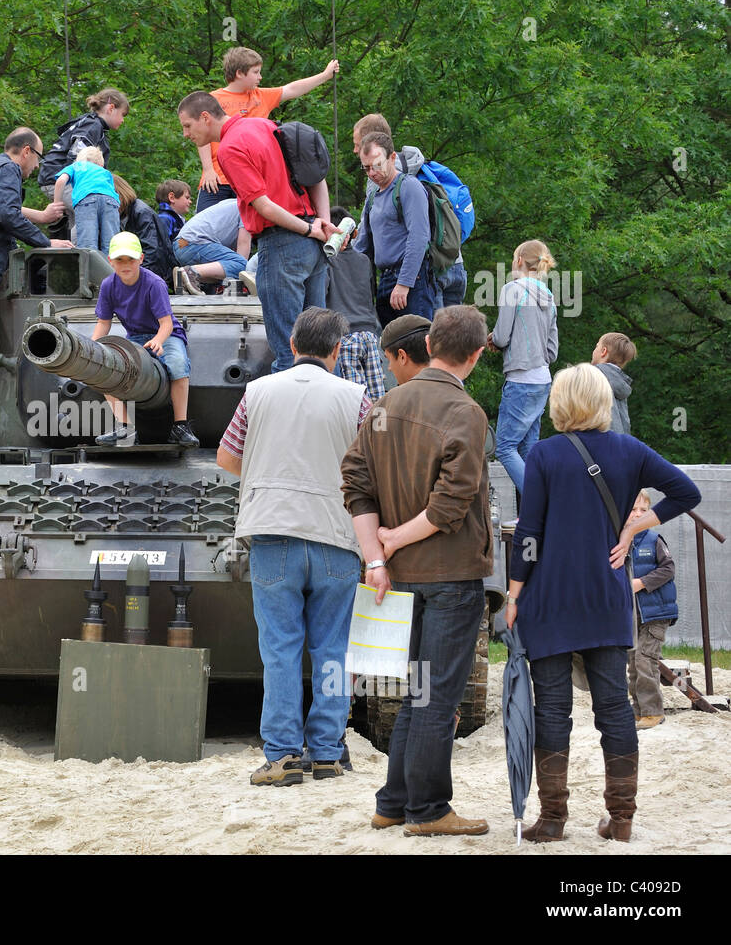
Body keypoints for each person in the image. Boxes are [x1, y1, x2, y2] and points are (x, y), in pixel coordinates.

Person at [506, 364, 699, 842]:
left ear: (560, 403)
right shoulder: (629, 450)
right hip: (608, 594)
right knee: (614, 705)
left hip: (550, 597)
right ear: (603, 402)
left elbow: (529, 534)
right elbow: (686, 491)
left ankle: (552, 820)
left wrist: (513, 593)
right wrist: (636, 524)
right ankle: (622, 819)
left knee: (552, 709)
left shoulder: (545, 455)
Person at [341, 305, 493, 837]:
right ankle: (428, 810)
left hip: (400, 577)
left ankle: (393, 802)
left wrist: (377, 556)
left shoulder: (384, 406)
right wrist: (394, 539)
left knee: (418, 691)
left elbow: (355, 483)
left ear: (429, 347)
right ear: (475, 355)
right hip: (450, 576)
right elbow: (451, 504)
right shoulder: (466, 412)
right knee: (437, 697)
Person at [217, 309, 370, 785]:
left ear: (292, 341)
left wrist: (271, 481)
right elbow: (372, 467)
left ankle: (282, 756)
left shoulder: (257, 392)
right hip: (336, 536)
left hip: (272, 534)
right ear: (337, 350)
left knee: (280, 649)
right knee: (333, 649)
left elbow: (226, 456)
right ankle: (327, 751)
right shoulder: (357, 398)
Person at [178, 91, 338, 373]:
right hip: (313, 249)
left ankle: (285, 418)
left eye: (187, 126)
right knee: (320, 347)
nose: (185, 134)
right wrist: (321, 223)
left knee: (289, 352)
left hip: (282, 245)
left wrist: (309, 230)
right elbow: (314, 173)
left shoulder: (229, 149)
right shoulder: (265, 125)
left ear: (205, 117)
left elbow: (263, 206)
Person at [196, 47, 338, 211]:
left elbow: (291, 89)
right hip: (217, 180)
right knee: (204, 229)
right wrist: (208, 170)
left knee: (249, 230)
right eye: (255, 72)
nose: (260, 77)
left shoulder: (260, 96)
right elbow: (201, 135)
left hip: (251, 179)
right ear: (239, 73)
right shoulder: (213, 99)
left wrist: (325, 75)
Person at [91, 232, 198, 447]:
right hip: (136, 337)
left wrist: (158, 340)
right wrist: (92, 348)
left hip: (166, 335)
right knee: (105, 367)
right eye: (120, 260)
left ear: (140, 259)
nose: (125, 265)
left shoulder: (154, 283)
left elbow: (166, 324)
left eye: (130, 259)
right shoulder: (108, 286)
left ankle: (180, 426)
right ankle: (125, 429)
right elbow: (104, 323)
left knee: (177, 365)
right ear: (110, 261)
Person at [351, 114, 468, 306]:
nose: (355, 150)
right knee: (450, 335)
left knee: (426, 334)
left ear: (371, 141)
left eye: (358, 143)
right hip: (452, 261)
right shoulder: (413, 163)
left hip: (423, 271)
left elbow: (369, 233)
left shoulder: (384, 176)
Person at [490, 239, 560, 500]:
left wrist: (494, 339)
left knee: (506, 447)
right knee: (529, 447)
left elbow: (501, 338)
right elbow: (552, 349)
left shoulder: (513, 290)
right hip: (542, 378)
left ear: (519, 260)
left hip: (520, 378)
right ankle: (534, 515)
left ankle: (539, 500)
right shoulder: (549, 296)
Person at [353, 132, 441, 325]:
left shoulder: (409, 187)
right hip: (384, 280)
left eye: (377, 165)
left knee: (416, 346)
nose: (372, 173)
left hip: (412, 280)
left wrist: (404, 283)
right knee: (391, 349)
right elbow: (363, 245)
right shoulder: (373, 197)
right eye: (366, 168)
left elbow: (419, 237)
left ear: (392, 157)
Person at [0, 127, 71, 301]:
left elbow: (0, 209)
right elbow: (8, 215)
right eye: (38, 158)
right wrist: (46, 242)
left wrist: (41, 216)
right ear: (27, 151)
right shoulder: (9, 168)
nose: (36, 166)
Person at [37, 88, 130, 237]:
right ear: (111, 108)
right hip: (61, 179)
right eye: (122, 114)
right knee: (92, 213)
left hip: (54, 176)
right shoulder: (93, 126)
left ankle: (74, 255)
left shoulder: (90, 123)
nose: (123, 120)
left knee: (80, 218)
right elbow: (76, 156)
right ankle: (83, 255)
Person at [627, 490, 678, 730]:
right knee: (633, 664)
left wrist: (642, 583)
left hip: (655, 613)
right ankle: (639, 711)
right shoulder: (617, 540)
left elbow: (668, 569)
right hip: (630, 615)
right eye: (633, 509)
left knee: (645, 661)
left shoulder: (653, 539)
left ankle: (653, 712)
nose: (638, 514)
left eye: (643, 511)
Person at [325, 205, 385, 401]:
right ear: (355, 233)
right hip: (370, 334)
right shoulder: (364, 261)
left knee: (354, 401)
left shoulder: (325, 261)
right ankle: (378, 431)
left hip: (344, 336)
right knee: (376, 400)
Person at [172, 199, 251, 295]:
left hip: (180, 243)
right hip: (195, 242)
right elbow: (243, 244)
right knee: (242, 265)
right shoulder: (248, 207)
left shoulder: (231, 204)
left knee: (225, 269)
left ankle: (184, 282)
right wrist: (242, 279)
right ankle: (190, 272)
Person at [112, 174, 176, 289]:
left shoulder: (141, 212)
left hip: (155, 275)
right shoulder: (123, 215)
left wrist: (136, 281)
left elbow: (152, 250)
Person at [54, 146, 120, 253]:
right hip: (110, 201)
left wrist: (56, 204)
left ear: (79, 159)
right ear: (101, 163)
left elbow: (61, 181)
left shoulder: (76, 166)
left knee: (87, 245)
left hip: (87, 200)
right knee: (111, 244)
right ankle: (112, 269)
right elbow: (112, 192)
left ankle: (89, 268)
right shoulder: (104, 171)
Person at [591, 332, 636, 435]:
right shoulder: (619, 382)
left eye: (596, 346)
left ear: (603, 351)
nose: (594, 350)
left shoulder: (593, 376)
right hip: (619, 445)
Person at [379, 314, 431, 388]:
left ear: (402, 356)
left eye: (389, 360)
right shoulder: (451, 384)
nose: (389, 368)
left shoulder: (395, 398)